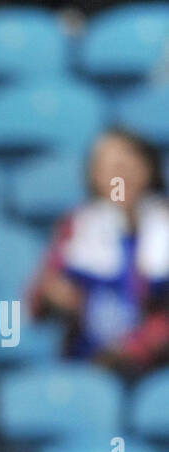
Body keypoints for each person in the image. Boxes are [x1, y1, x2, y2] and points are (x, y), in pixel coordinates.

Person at [28, 127, 169, 378]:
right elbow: (37, 300)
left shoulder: (163, 225)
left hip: (156, 368)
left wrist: (135, 348)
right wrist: (55, 295)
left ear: (147, 169)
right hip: (88, 364)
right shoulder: (77, 227)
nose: (117, 178)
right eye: (107, 168)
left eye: (124, 166)